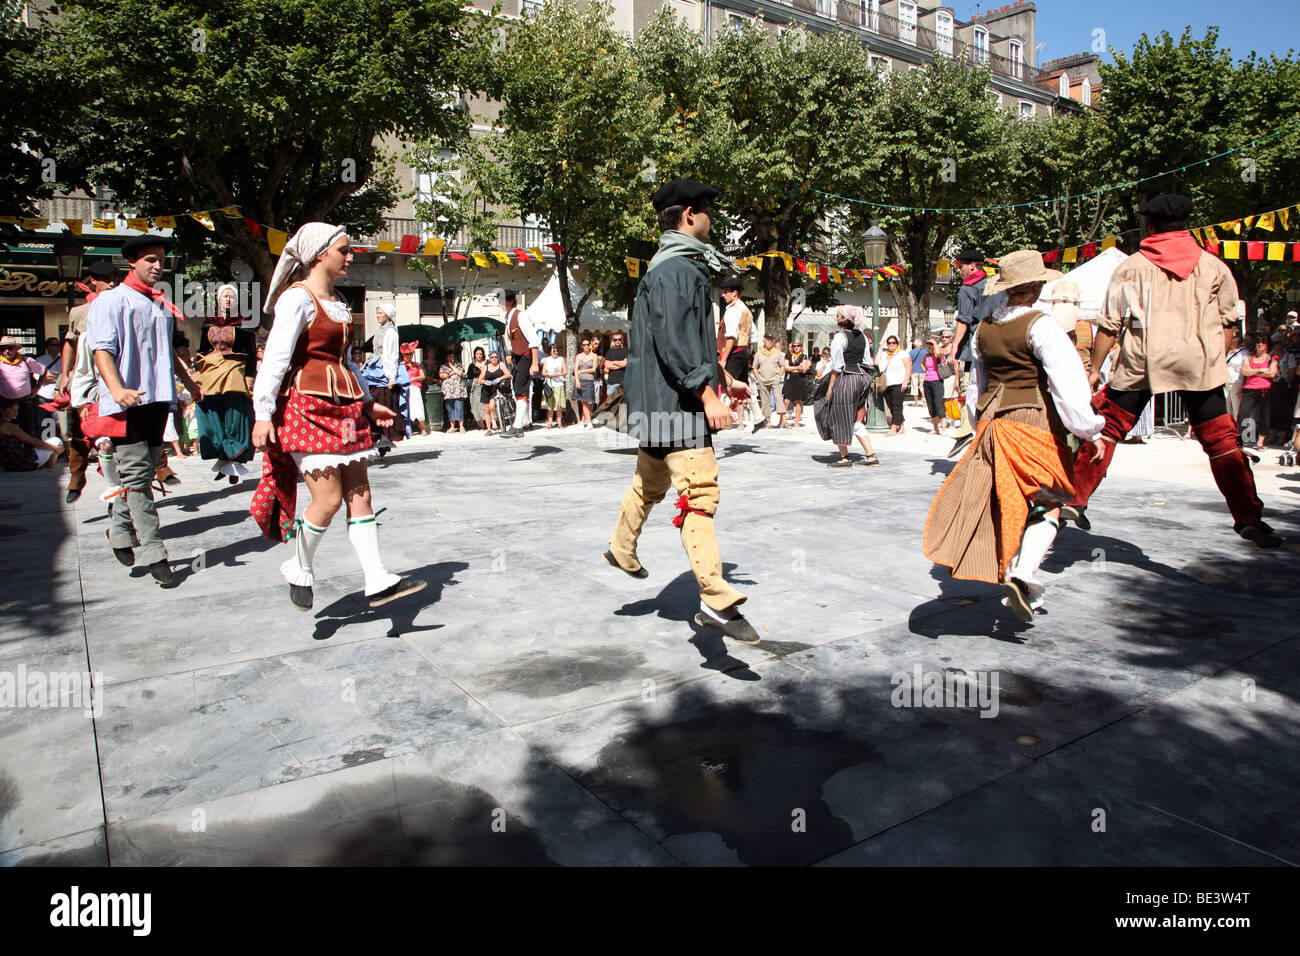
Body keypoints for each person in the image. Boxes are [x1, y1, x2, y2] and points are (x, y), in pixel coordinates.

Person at [1061, 195, 1280, 548]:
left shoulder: (1131, 268)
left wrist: (1095, 369)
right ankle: (1248, 517)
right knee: (1222, 443)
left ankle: (1075, 500)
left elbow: (1109, 326)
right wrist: (1215, 363)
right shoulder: (1213, 267)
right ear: (1185, 225)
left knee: (1107, 429)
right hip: (1198, 364)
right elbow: (1227, 325)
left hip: (1141, 363)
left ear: (1150, 225)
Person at [605, 178, 761, 644]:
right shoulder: (680, 271)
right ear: (689, 214)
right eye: (708, 211)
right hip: (679, 406)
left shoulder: (666, 267)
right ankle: (714, 598)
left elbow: (678, 339)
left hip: (659, 404)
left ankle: (620, 546)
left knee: (649, 483)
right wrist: (706, 393)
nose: (713, 219)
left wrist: (723, 377)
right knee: (700, 494)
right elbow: (675, 343)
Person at [250, 222, 425, 611]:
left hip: (346, 408)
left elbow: (347, 363)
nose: (350, 256)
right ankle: (298, 564)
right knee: (327, 501)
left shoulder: (341, 304)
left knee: (359, 493)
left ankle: (376, 577)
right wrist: (263, 414)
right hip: (308, 408)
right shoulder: (296, 300)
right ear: (318, 255)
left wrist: (366, 402)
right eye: (343, 250)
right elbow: (276, 358)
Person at [925, 250, 1106, 623]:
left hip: (993, 423)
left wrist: (978, 424)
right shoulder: (1042, 326)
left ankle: (1010, 570)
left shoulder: (984, 329)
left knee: (1007, 501)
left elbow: (977, 385)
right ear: (1037, 286)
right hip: (1033, 420)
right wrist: (1090, 429)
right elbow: (1067, 385)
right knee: (1050, 498)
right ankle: (1022, 574)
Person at [86, 234, 201, 585]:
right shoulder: (110, 301)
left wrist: (190, 382)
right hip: (128, 402)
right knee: (137, 476)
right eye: (150, 259)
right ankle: (155, 552)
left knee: (142, 474)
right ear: (132, 262)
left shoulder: (159, 305)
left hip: (158, 399)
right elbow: (101, 349)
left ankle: (120, 531)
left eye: (161, 260)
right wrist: (117, 388)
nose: (157, 266)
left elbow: (168, 353)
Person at [192, 282, 256, 483]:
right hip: (212, 373)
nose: (228, 299)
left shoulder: (244, 322)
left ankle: (235, 457)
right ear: (218, 300)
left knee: (235, 416)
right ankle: (223, 455)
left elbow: (251, 353)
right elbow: (202, 350)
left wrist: (250, 376)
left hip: (235, 372)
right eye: (224, 296)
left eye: (231, 297)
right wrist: (196, 372)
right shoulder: (208, 323)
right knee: (213, 414)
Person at [946, 249, 1006, 458]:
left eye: (961, 266)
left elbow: (963, 319)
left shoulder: (967, 288)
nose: (959, 270)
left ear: (972, 266)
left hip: (976, 345)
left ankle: (966, 431)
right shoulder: (995, 286)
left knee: (972, 390)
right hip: (998, 344)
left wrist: (954, 347)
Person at [815, 306, 879, 467]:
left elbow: (837, 366)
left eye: (838, 316)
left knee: (837, 414)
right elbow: (866, 360)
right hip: (863, 377)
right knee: (856, 417)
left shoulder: (839, 337)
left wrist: (830, 388)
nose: (836, 318)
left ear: (845, 319)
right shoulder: (863, 337)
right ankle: (871, 455)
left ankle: (845, 457)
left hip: (847, 378)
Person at [717, 277, 764, 433]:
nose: (723, 295)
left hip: (735, 350)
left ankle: (720, 418)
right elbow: (753, 337)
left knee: (727, 383)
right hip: (744, 350)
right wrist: (747, 355)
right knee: (743, 386)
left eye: (725, 292)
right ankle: (758, 417)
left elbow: (731, 337)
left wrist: (724, 359)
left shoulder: (732, 310)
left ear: (734, 293)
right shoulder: (746, 310)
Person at [364, 303, 406, 454]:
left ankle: (384, 436)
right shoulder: (381, 329)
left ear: (388, 314)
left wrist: (391, 376)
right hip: (375, 369)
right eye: (377, 313)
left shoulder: (391, 331)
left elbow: (391, 354)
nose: (378, 316)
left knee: (383, 401)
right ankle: (375, 434)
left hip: (383, 371)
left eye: (380, 313)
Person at [503, 291, 540, 436]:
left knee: (521, 389)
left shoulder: (521, 316)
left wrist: (535, 363)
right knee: (518, 389)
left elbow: (534, 340)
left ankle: (518, 425)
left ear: (511, 301)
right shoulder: (509, 317)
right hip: (518, 357)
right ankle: (524, 423)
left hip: (526, 357)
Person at [0, 335, 51, 438]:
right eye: (3, 348)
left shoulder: (26, 361)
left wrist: (37, 388)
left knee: (29, 431)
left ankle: (30, 452)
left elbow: (43, 371)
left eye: (9, 348)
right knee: (6, 432)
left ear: (16, 349)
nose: (6, 351)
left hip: (25, 402)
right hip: (4, 403)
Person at [0, 397, 64, 470]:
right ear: (3, 411)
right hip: (22, 462)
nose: (15, 412)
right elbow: (31, 441)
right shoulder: (9, 426)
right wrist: (55, 448)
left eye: (16, 410)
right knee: (56, 441)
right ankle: (48, 469)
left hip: (7, 463)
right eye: (12, 410)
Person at [1238, 335, 1275, 452]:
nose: (1260, 344)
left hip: (1265, 389)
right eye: (1258, 342)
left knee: (1264, 416)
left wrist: (1253, 372)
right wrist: (1261, 370)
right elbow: (1244, 371)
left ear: (1267, 344)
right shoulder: (1249, 357)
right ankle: (1240, 440)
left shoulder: (1271, 358)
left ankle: (1260, 442)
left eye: (1263, 342)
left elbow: (1272, 373)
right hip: (1250, 389)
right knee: (1242, 415)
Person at [876, 334, 911, 434]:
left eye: (893, 343)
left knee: (897, 406)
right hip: (886, 383)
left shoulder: (903, 354)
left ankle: (894, 428)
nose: (891, 344)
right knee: (891, 406)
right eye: (889, 343)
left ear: (897, 343)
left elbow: (909, 367)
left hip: (899, 383)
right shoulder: (884, 353)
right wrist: (881, 347)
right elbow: (876, 362)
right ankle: (902, 426)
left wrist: (905, 381)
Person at [752, 332, 786, 429]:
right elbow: (754, 367)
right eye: (768, 339)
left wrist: (779, 376)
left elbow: (782, 365)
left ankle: (783, 421)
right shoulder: (758, 354)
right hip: (763, 380)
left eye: (771, 340)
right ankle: (768, 422)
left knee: (778, 398)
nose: (770, 341)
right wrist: (758, 378)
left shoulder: (777, 353)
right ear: (764, 340)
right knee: (765, 401)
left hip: (775, 379)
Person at [781, 339, 813, 427]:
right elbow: (786, 367)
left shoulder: (804, 356)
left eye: (798, 346)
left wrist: (795, 368)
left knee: (798, 401)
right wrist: (797, 368)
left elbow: (803, 370)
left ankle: (796, 421)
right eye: (794, 346)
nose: (796, 347)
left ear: (801, 347)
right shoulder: (788, 355)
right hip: (789, 379)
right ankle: (782, 420)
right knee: (786, 400)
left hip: (799, 380)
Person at [920, 338, 946, 435]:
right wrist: (926, 371)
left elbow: (940, 355)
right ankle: (935, 428)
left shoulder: (938, 354)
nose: (929, 346)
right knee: (931, 405)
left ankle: (943, 428)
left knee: (938, 403)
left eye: (931, 344)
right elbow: (922, 364)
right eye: (928, 344)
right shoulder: (926, 356)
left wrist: (935, 344)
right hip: (927, 381)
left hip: (937, 381)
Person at [479, 352, 508, 435]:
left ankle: (497, 419)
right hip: (486, 389)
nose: (494, 358)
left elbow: (507, 374)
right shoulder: (486, 367)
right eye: (492, 357)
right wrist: (485, 381)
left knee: (492, 406)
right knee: (486, 409)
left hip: (496, 389)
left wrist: (499, 378)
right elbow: (480, 379)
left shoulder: (501, 364)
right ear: (489, 358)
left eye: (495, 357)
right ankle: (489, 429)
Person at [438, 350, 467, 433]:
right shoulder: (443, 366)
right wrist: (452, 373)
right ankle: (452, 426)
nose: (451, 358)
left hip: (458, 390)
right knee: (450, 408)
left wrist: (452, 366)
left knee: (459, 407)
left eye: (453, 356)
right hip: (448, 391)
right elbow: (442, 375)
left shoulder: (458, 364)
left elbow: (460, 373)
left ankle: (461, 426)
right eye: (450, 357)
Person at [403, 343, 427, 436]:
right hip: (406, 388)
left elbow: (422, 376)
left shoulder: (416, 365)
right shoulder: (403, 365)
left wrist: (413, 379)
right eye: (408, 354)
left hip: (415, 388)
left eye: (411, 354)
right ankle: (409, 429)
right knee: (408, 408)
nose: (410, 356)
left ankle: (423, 429)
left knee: (418, 407)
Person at [573, 337, 598, 429]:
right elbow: (575, 369)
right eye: (584, 345)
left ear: (590, 345)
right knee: (584, 402)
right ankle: (584, 422)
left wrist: (582, 371)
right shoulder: (578, 356)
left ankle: (588, 422)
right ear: (581, 346)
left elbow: (593, 369)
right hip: (580, 380)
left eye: (588, 344)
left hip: (589, 380)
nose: (586, 346)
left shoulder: (594, 355)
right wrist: (577, 380)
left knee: (587, 402)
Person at [1224, 325, 1247, 423]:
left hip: (1237, 383)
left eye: (1233, 337)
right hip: (1225, 383)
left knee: (1236, 410)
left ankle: (1237, 432)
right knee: (1226, 411)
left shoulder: (1244, 353)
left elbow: (1246, 371)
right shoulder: (1226, 351)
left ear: (1237, 338)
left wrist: (1243, 388)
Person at [540, 343, 567, 428]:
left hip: (559, 383)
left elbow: (565, 371)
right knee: (550, 405)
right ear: (550, 352)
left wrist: (559, 374)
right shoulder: (547, 360)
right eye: (553, 350)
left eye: (556, 350)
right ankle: (550, 422)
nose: (555, 352)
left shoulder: (561, 359)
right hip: (550, 384)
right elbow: (543, 372)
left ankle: (559, 422)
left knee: (558, 405)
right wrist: (549, 375)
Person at [467, 346, 487, 429]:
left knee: (483, 404)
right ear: (475, 355)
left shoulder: (487, 363)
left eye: (481, 354)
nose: (479, 356)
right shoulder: (472, 365)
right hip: (475, 385)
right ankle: (480, 423)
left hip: (485, 384)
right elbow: (470, 377)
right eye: (478, 354)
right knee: (475, 404)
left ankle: (487, 421)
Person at [604, 332, 628, 397]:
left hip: (623, 381)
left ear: (622, 340)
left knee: (622, 404)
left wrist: (613, 362)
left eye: (619, 339)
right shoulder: (609, 352)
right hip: (611, 382)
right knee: (610, 403)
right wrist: (620, 364)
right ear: (613, 341)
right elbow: (607, 365)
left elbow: (625, 364)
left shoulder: (626, 351)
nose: (617, 341)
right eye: (615, 339)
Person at [908, 340, 926, 405]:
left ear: (914, 345)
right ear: (920, 345)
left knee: (914, 386)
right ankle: (924, 399)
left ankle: (916, 402)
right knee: (922, 385)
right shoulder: (925, 352)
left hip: (914, 371)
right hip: (923, 371)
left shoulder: (911, 352)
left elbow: (909, 362)